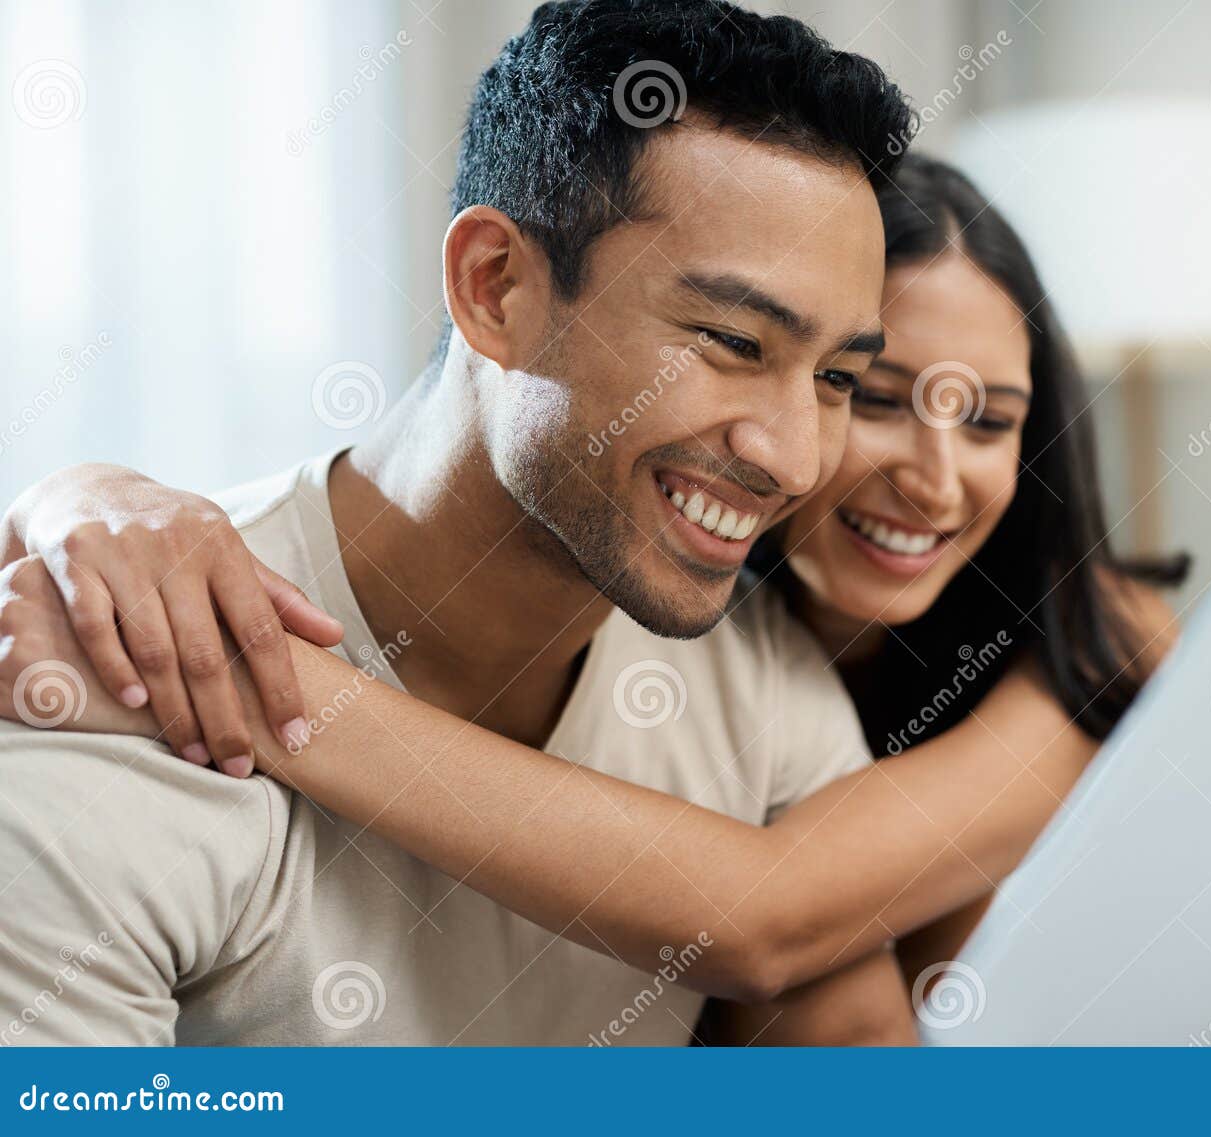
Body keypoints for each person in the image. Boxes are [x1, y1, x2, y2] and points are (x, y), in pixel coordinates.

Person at [0, 151, 1211, 1047]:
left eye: (991, 419)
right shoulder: (684, 588)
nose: (930, 478)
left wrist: (255, 664)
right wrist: (87, 495)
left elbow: (755, 915)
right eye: (869, 393)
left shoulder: (1082, 660)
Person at [0, 0, 930, 1046]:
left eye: (841, 377)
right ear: (494, 289)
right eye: (730, 341)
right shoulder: (106, 709)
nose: (795, 458)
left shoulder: (757, 692)